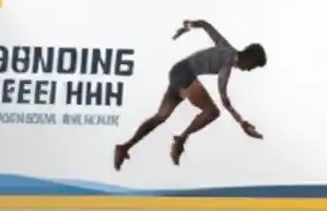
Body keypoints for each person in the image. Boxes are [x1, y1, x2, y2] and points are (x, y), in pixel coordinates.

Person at [114, 19, 267, 170]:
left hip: (177, 71)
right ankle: (180, 140)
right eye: (252, 66)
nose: (249, 70)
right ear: (249, 58)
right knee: (212, 112)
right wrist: (241, 122)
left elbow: (206, 25)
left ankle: (124, 147)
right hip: (185, 73)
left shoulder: (225, 47)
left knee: (160, 117)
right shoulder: (227, 64)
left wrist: (189, 25)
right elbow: (224, 99)